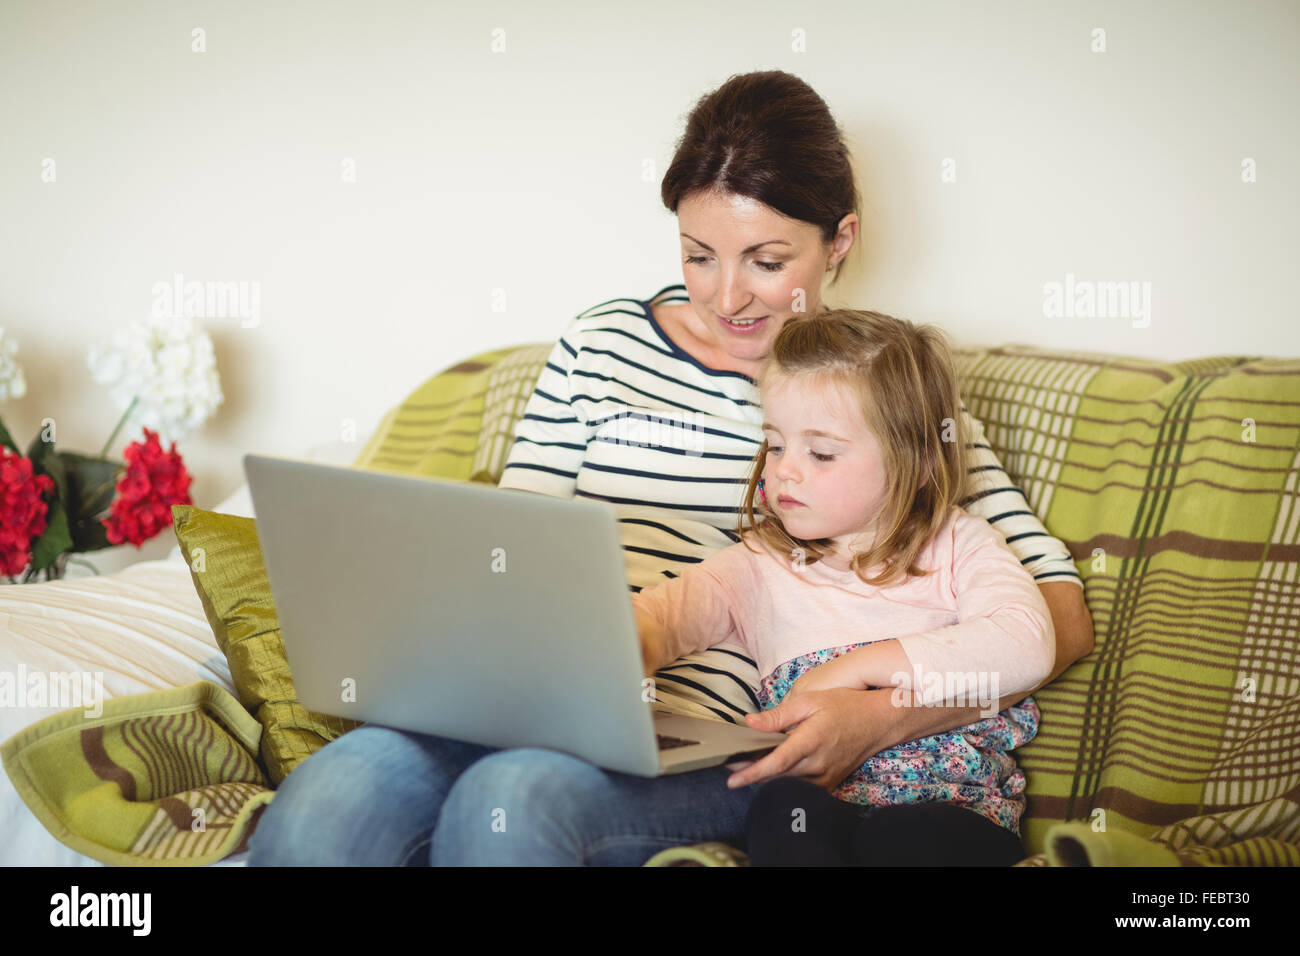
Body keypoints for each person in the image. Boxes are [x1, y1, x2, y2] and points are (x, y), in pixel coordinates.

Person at [247, 69, 1093, 867]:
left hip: (711, 738)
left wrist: (876, 715)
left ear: (840, 242)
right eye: (697, 255)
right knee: (331, 800)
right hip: (544, 692)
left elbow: (1055, 617)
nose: (726, 298)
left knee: (514, 798)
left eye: (767, 262)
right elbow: (506, 548)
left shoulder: (886, 398)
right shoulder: (599, 345)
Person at [633, 308, 1050, 866]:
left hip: (955, 811)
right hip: (819, 809)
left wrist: (854, 669)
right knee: (779, 809)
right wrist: (628, 648)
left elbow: (1027, 641)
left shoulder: (959, 544)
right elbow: (659, 619)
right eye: (775, 445)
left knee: (901, 840)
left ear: (919, 462)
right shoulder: (757, 566)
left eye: (821, 453)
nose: (784, 471)